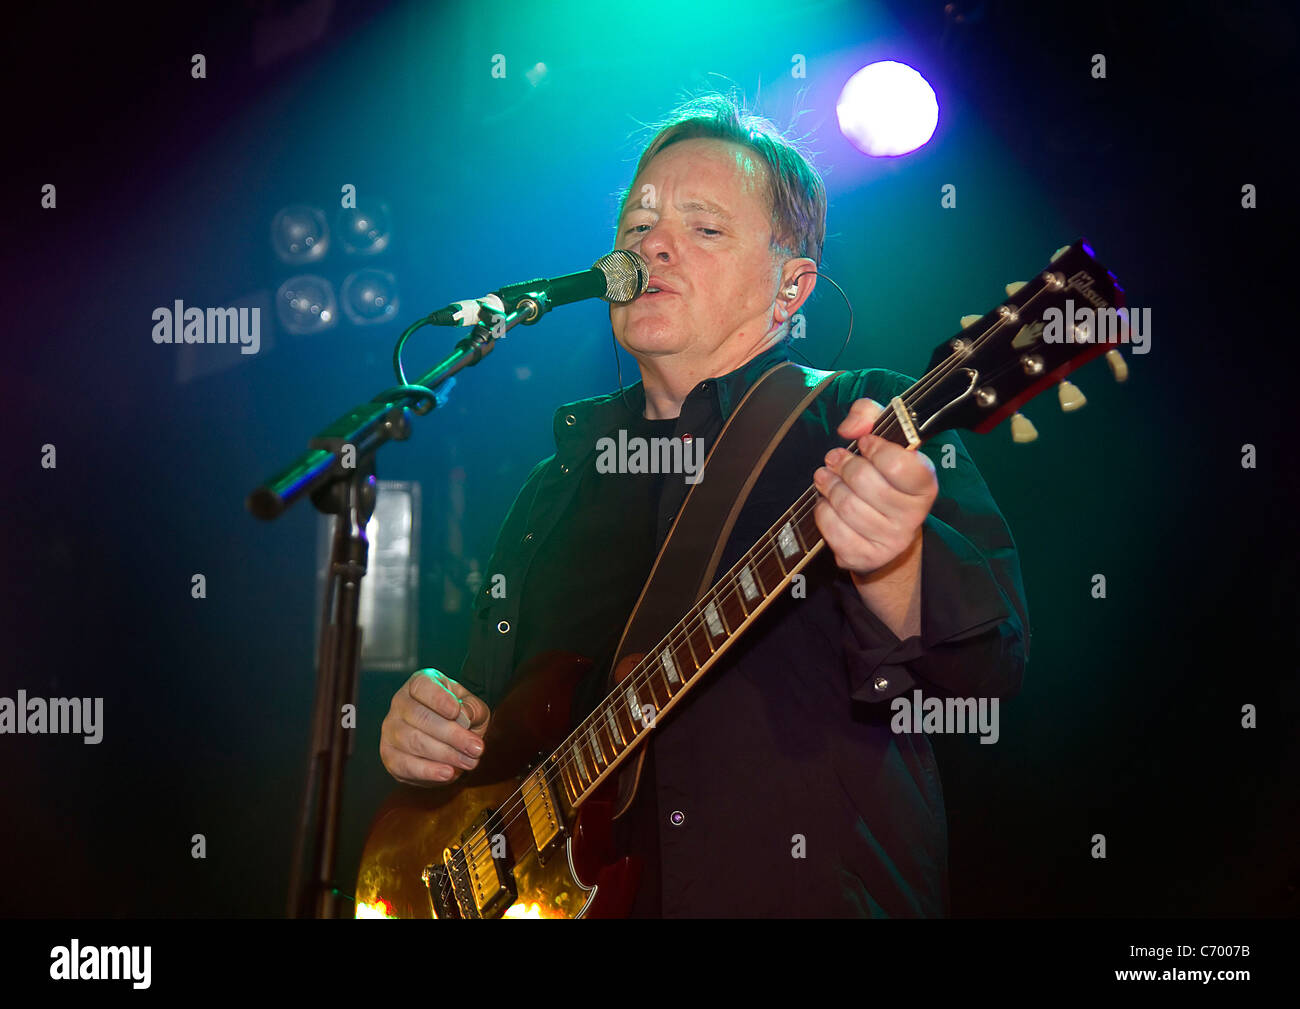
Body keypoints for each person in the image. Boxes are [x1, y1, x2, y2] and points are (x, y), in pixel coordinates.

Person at [379, 93, 1029, 917]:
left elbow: (985, 673)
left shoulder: (864, 426)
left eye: (705, 227)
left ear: (790, 286)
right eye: (636, 225)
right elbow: (491, 722)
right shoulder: (557, 485)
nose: (651, 244)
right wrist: (428, 737)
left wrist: (894, 562)